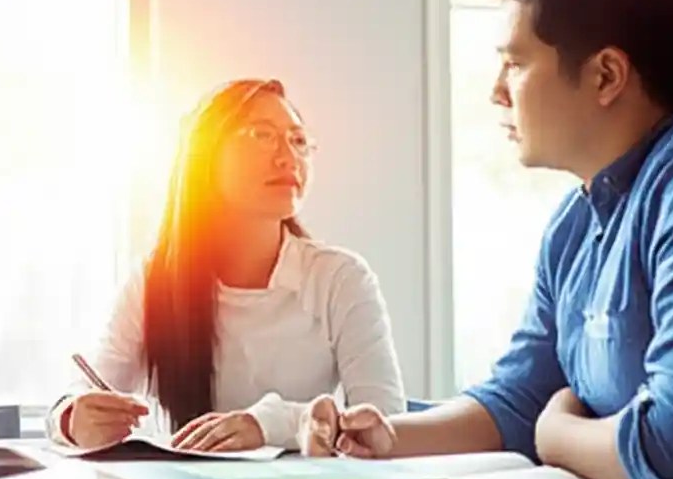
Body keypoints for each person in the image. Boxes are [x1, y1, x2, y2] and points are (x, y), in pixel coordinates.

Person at [302, 0, 673, 479]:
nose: (496, 90)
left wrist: (558, 434)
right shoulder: (576, 221)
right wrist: (385, 440)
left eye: (514, 63)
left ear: (606, 75)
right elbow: (518, 398)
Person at [47, 79, 406, 452]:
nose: (288, 157)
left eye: (299, 140)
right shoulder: (155, 281)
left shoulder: (339, 278)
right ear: (206, 155)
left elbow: (386, 424)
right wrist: (72, 419)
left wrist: (273, 423)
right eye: (262, 135)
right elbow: (83, 391)